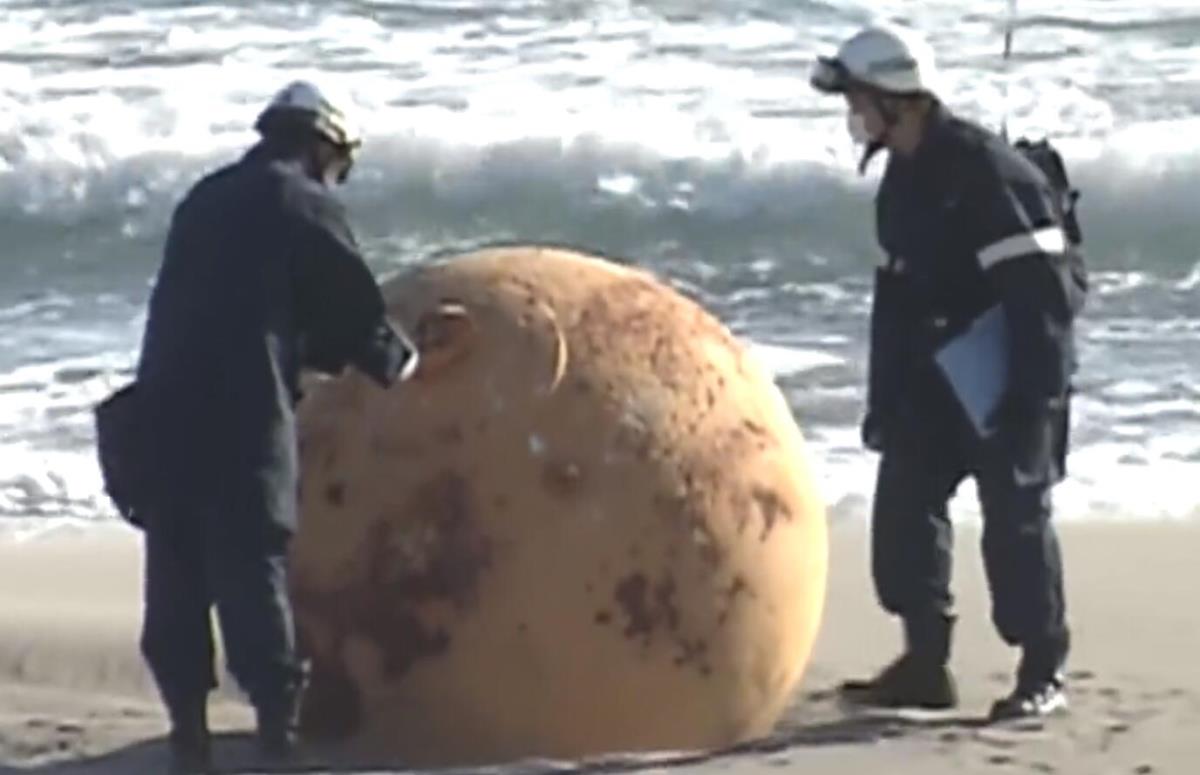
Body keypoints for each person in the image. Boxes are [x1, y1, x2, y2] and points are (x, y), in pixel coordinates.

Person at [133, 80, 418, 772]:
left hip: (162, 409)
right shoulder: (303, 202)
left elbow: (248, 303)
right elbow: (353, 311)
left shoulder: (204, 197)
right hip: (241, 412)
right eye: (342, 163)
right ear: (324, 145)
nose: (339, 177)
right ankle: (276, 737)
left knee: (176, 565)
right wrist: (403, 364)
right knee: (251, 560)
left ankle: (189, 737)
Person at [809, 25, 1085, 721]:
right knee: (904, 503)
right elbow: (899, 294)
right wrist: (888, 398)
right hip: (937, 370)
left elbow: (1044, 297)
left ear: (900, 103)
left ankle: (1042, 670)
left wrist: (1032, 399)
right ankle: (925, 663)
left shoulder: (989, 175)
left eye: (860, 102)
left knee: (1015, 521)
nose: (853, 118)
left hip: (1015, 364)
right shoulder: (903, 175)